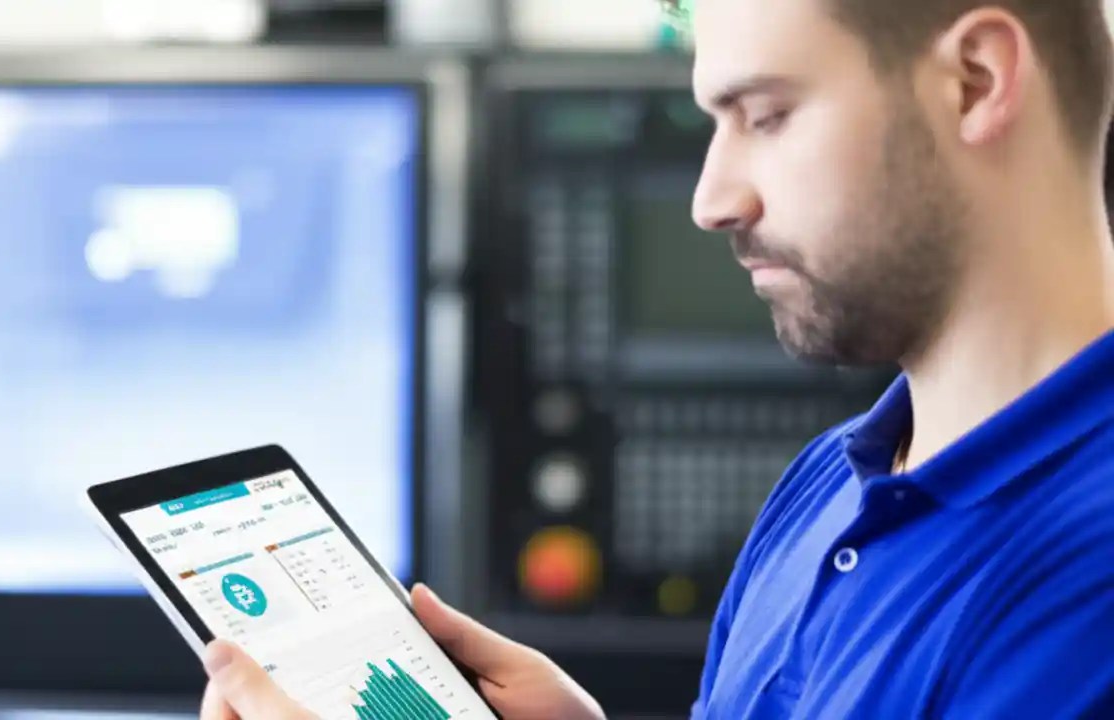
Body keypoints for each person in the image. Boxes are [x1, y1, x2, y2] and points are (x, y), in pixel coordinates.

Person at [199, 0, 1114, 716]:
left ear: (974, 80)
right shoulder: (830, 486)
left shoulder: (1086, 571)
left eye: (767, 115)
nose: (712, 199)